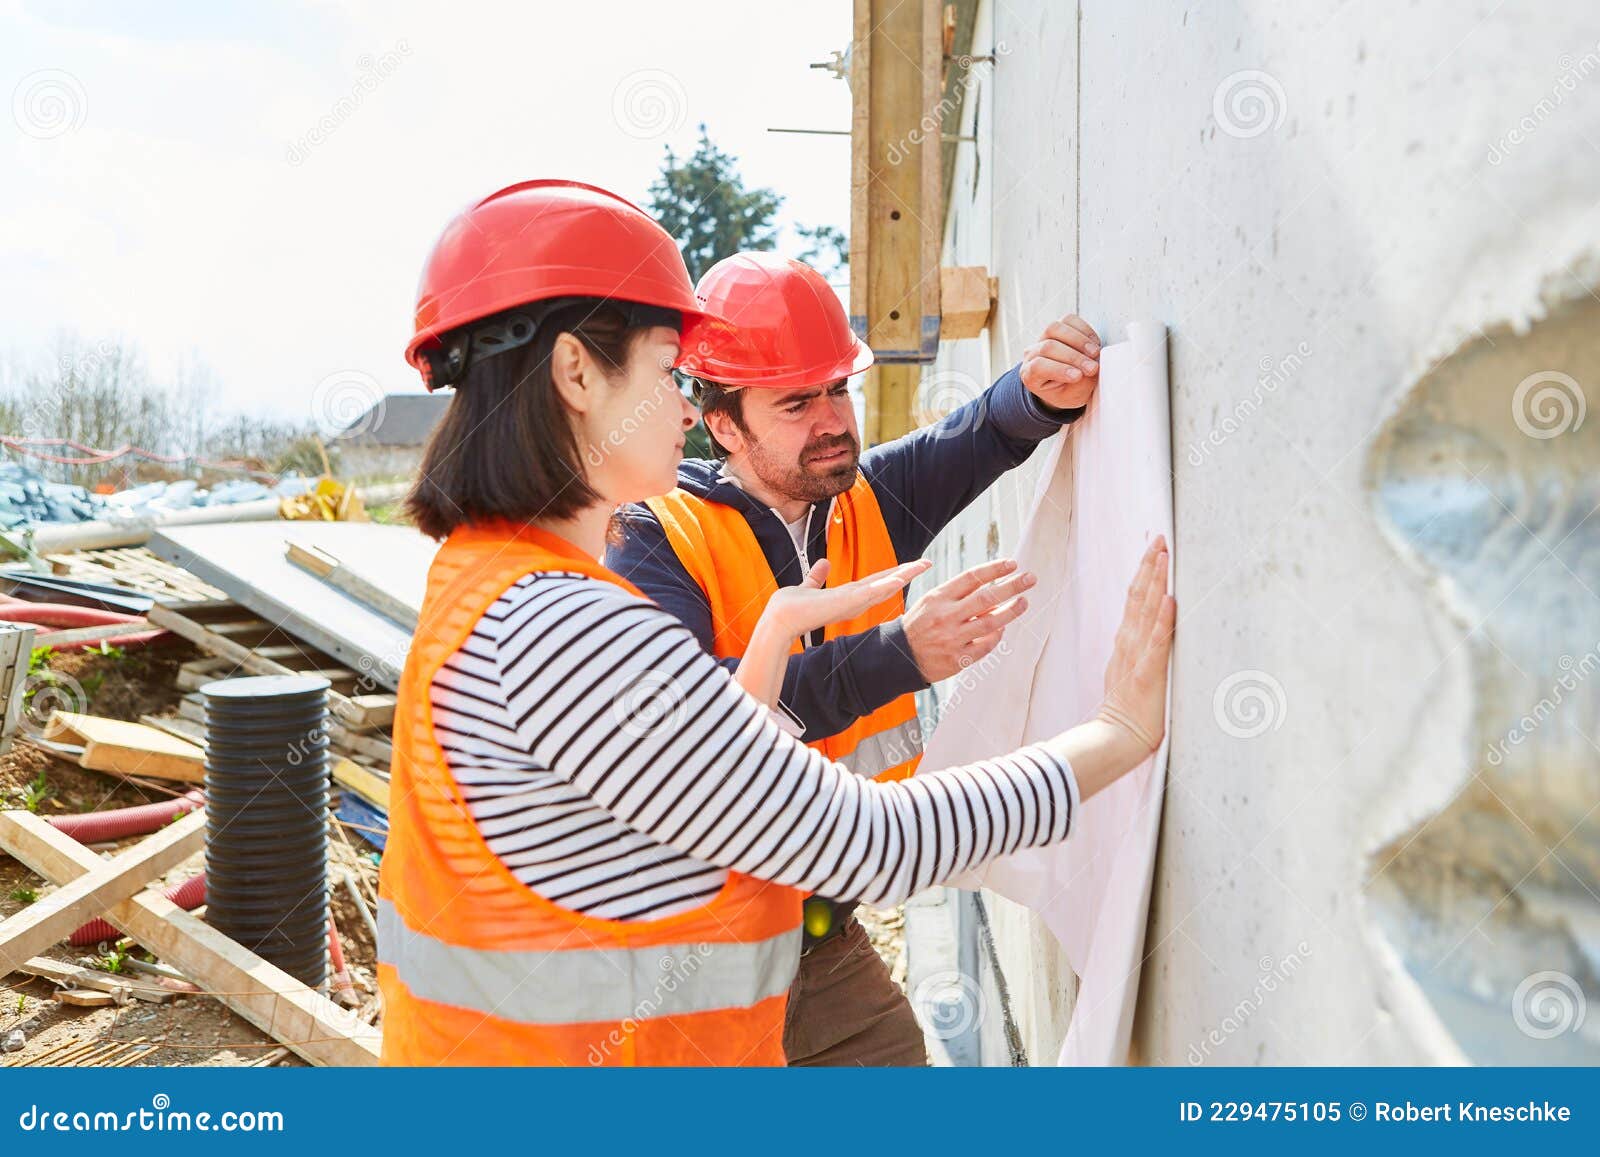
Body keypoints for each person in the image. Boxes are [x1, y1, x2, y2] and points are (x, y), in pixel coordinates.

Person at [376, 179, 1175, 1067]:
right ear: (576, 373)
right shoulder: (566, 627)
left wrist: (1031, 395)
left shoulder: (492, 584)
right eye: (664, 370)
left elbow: (666, 791)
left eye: (835, 390)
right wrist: (1118, 732)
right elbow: (870, 842)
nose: (683, 407)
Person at [607, 250, 1106, 1065]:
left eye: (837, 388)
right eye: (796, 402)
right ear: (724, 423)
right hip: (693, 964)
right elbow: (696, 722)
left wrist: (1039, 390)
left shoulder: (861, 499)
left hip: (821, 939)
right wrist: (897, 656)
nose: (832, 420)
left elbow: (983, 432)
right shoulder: (654, 538)